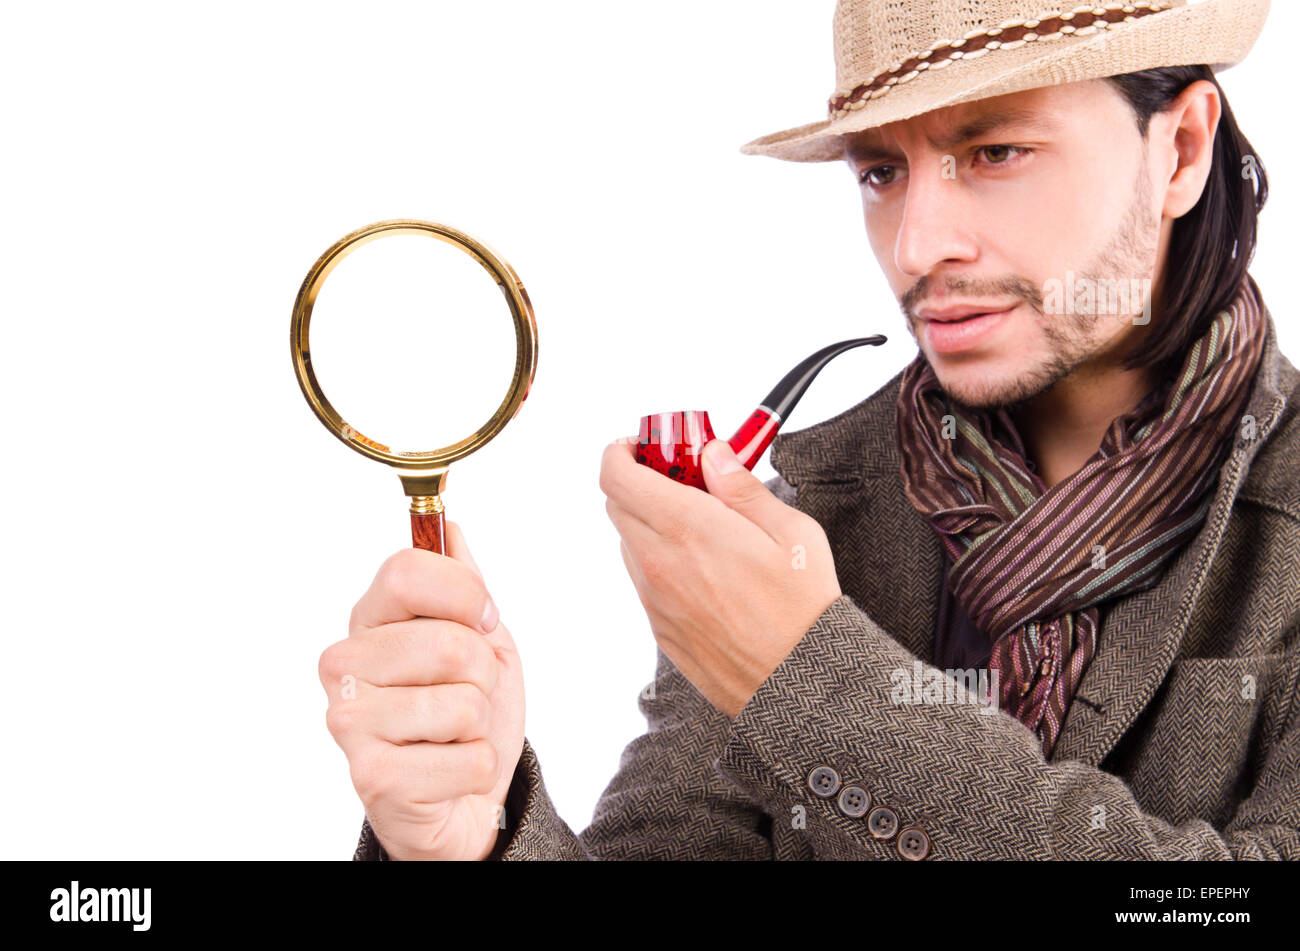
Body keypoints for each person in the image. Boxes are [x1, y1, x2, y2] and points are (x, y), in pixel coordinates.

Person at [322, 0, 1299, 860]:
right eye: (881, 172)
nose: (917, 247)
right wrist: (474, 838)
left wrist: (812, 686)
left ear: (1179, 150)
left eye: (995, 151)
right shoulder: (809, 511)